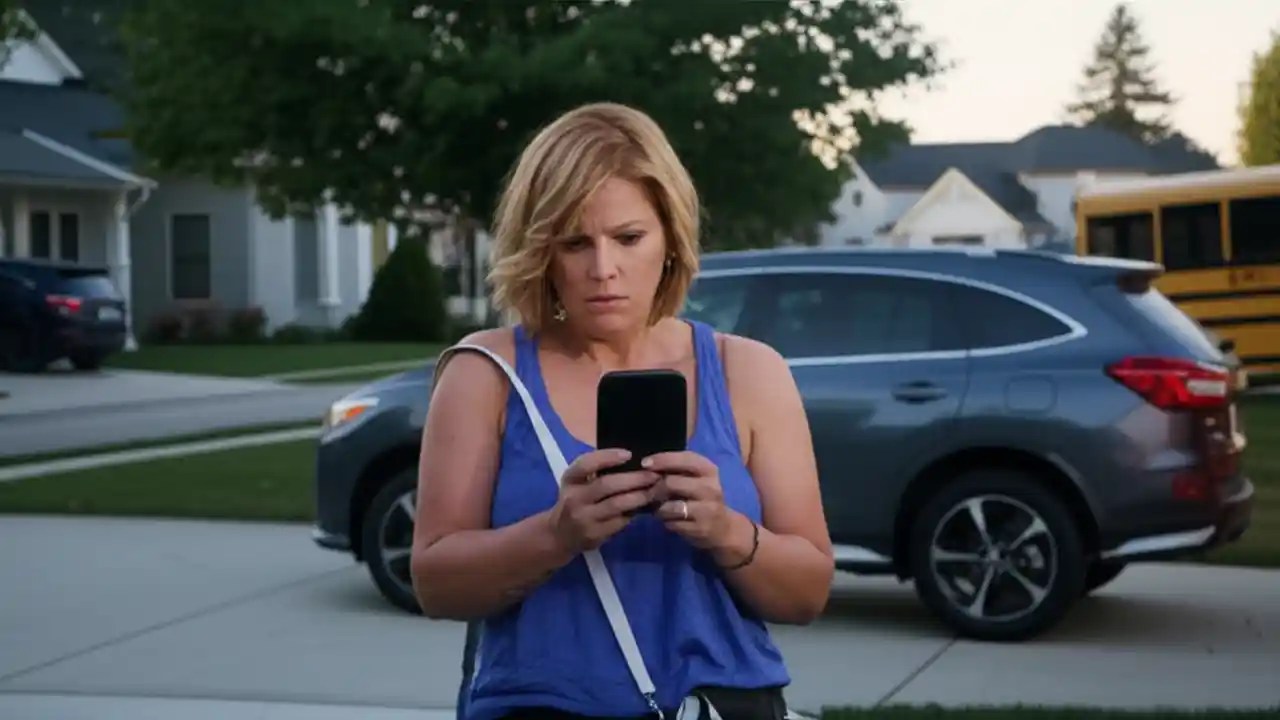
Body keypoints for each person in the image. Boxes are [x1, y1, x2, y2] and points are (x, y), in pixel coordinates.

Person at [411, 102, 834, 720]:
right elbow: (435, 585)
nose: (603, 269)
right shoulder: (487, 374)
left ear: (671, 238)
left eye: (629, 238)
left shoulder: (749, 371)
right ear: (541, 250)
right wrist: (556, 535)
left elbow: (808, 594)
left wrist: (725, 530)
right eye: (575, 242)